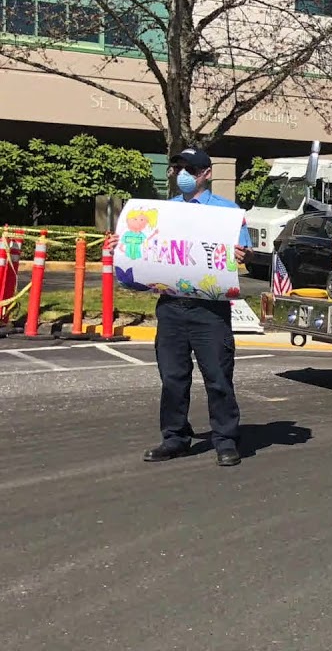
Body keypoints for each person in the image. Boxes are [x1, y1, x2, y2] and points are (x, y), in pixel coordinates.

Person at [106, 148, 251, 467]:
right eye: (178, 169)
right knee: (172, 376)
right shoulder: (162, 212)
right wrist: (121, 246)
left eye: (190, 169)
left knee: (218, 376)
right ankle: (174, 438)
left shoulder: (227, 213)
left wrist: (241, 255)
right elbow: (143, 248)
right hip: (171, 306)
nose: (182, 174)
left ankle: (225, 439)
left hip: (209, 310)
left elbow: (241, 253)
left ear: (206, 174)